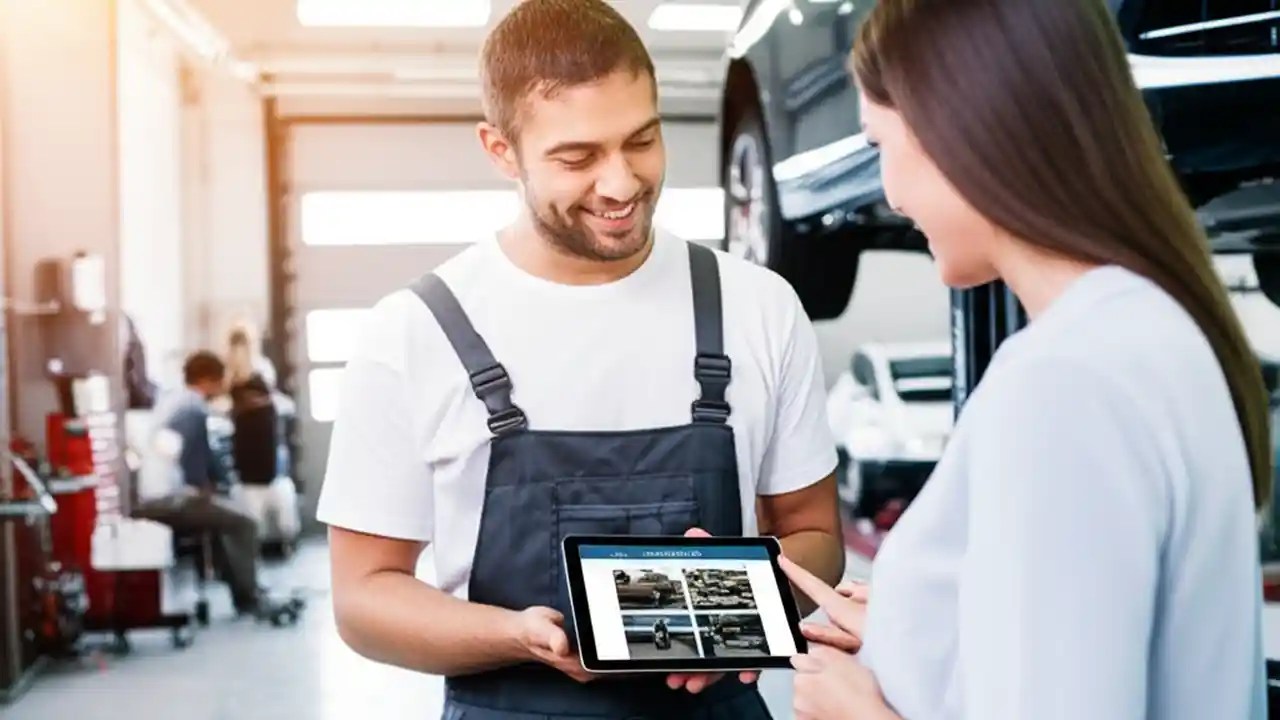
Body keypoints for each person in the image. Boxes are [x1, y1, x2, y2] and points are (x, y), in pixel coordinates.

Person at [317, 1, 845, 718]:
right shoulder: (413, 334)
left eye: (642, 140)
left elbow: (815, 534)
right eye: (577, 157)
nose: (622, 184)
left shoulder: (756, 306)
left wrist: (722, 608)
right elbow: (363, 596)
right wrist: (516, 635)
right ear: (500, 150)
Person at [781, 2, 1270, 719]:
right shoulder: (1151, 326)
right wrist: (919, 627)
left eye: (880, 143)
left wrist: (862, 715)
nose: (887, 191)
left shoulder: (1062, 384)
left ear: (959, 131)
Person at [134, 350, 275, 616]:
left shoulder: (172, 400)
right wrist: (206, 485)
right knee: (244, 521)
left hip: (155, 494)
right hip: (171, 499)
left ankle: (237, 583)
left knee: (223, 515)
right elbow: (192, 461)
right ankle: (248, 596)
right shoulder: (193, 409)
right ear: (209, 380)